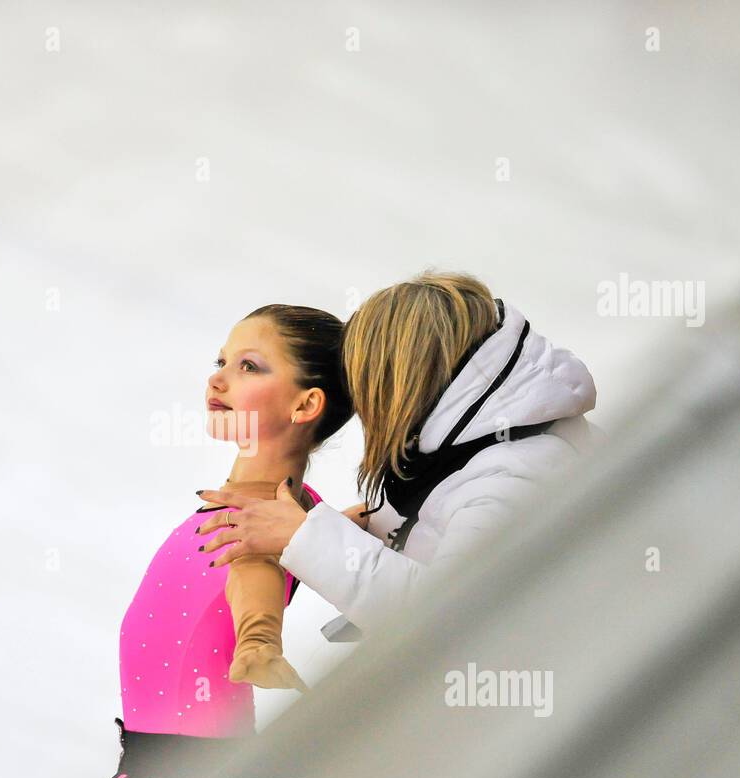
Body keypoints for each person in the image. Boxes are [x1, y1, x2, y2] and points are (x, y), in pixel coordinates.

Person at [20, 303, 353, 778]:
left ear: (305, 403)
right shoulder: (254, 507)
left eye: (249, 366)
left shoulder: (269, 517)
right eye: (220, 360)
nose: (217, 378)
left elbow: (258, 578)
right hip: (165, 772)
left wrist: (258, 640)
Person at [196, 271, 599, 642]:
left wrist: (305, 538)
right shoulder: (472, 439)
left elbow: (450, 619)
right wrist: (351, 533)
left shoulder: (513, 476)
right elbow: (435, 528)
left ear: (406, 378)